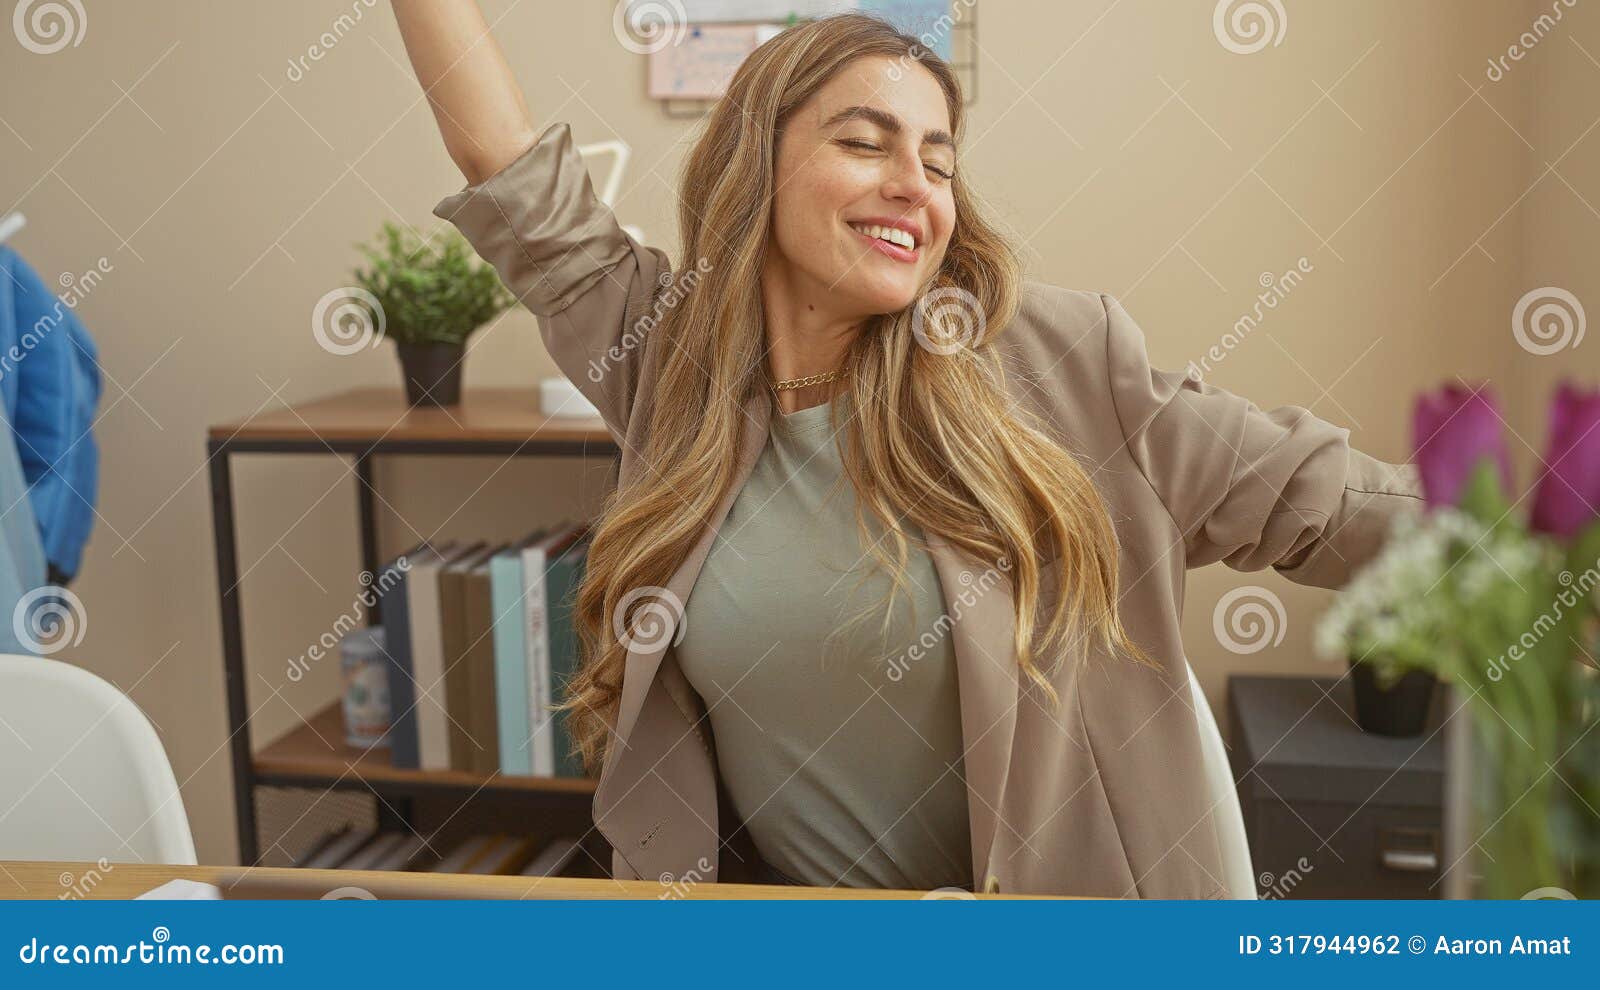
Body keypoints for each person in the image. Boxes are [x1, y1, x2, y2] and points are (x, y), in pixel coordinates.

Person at [390, 2, 1424, 897]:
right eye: (864, 142)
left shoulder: (1056, 366)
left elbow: (1322, 500)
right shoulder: (668, 364)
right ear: (757, 162)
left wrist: (1549, 564)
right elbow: (504, 167)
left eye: (937, 160)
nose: (914, 185)